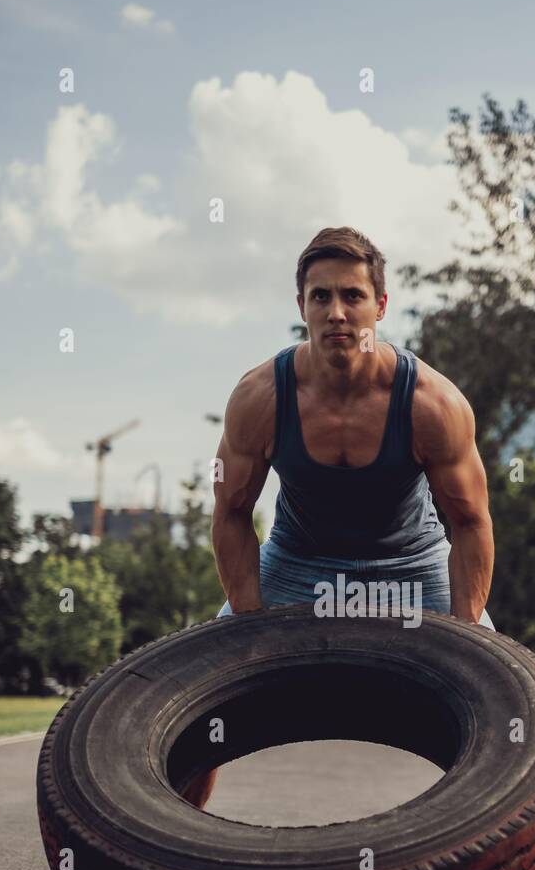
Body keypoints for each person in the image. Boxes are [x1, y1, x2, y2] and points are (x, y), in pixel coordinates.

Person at [183, 226, 495, 809]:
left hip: (411, 563)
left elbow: (472, 523)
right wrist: (251, 624)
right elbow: (230, 514)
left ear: (380, 304)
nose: (336, 313)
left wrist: (466, 630)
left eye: (352, 296)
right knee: (202, 703)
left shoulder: (433, 404)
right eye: (320, 296)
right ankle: (168, 848)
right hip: (297, 561)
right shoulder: (260, 398)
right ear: (300, 304)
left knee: (506, 706)